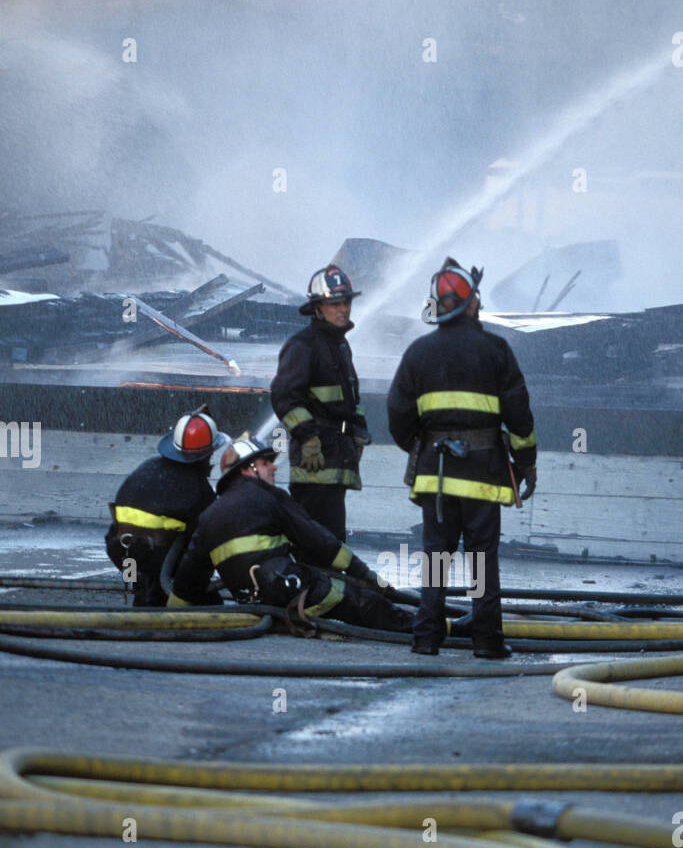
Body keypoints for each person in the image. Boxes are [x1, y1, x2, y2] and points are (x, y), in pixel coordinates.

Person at [387, 256, 537, 659]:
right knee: (482, 560)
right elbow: (519, 416)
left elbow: (398, 416)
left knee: (436, 556)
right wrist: (526, 463)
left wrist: (420, 447)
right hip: (484, 475)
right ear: (471, 304)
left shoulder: (417, 353)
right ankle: (487, 641)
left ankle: (426, 638)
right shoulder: (496, 350)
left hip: (434, 477)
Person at [168, 433, 413, 635]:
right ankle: (435, 628)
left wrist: (169, 617)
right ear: (247, 470)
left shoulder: (208, 516)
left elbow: (188, 579)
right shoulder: (270, 497)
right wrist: (365, 574)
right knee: (366, 603)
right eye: (266, 463)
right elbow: (319, 541)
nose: (274, 466)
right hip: (290, 591)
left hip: (254, 605)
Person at [269, 263, 370, 542]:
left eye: (346, 302)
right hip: (315, 467)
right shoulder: (303, 346)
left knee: (332, 540)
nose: (344, 309)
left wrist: (359, 435)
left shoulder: (339, 346)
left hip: (337, 461)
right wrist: (308, 438)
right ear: (317, 308)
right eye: (335, 303)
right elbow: (284, 397)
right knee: (316, 543)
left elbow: (350, 399)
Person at [105, 411, 228, 607]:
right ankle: (164, 599)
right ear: (207, 454)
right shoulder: (198, 489)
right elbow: (206, 542)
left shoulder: (148, 467)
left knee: (147, 590)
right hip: (160, 560)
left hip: (123, 553)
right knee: (210, 601)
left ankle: (145, 594)